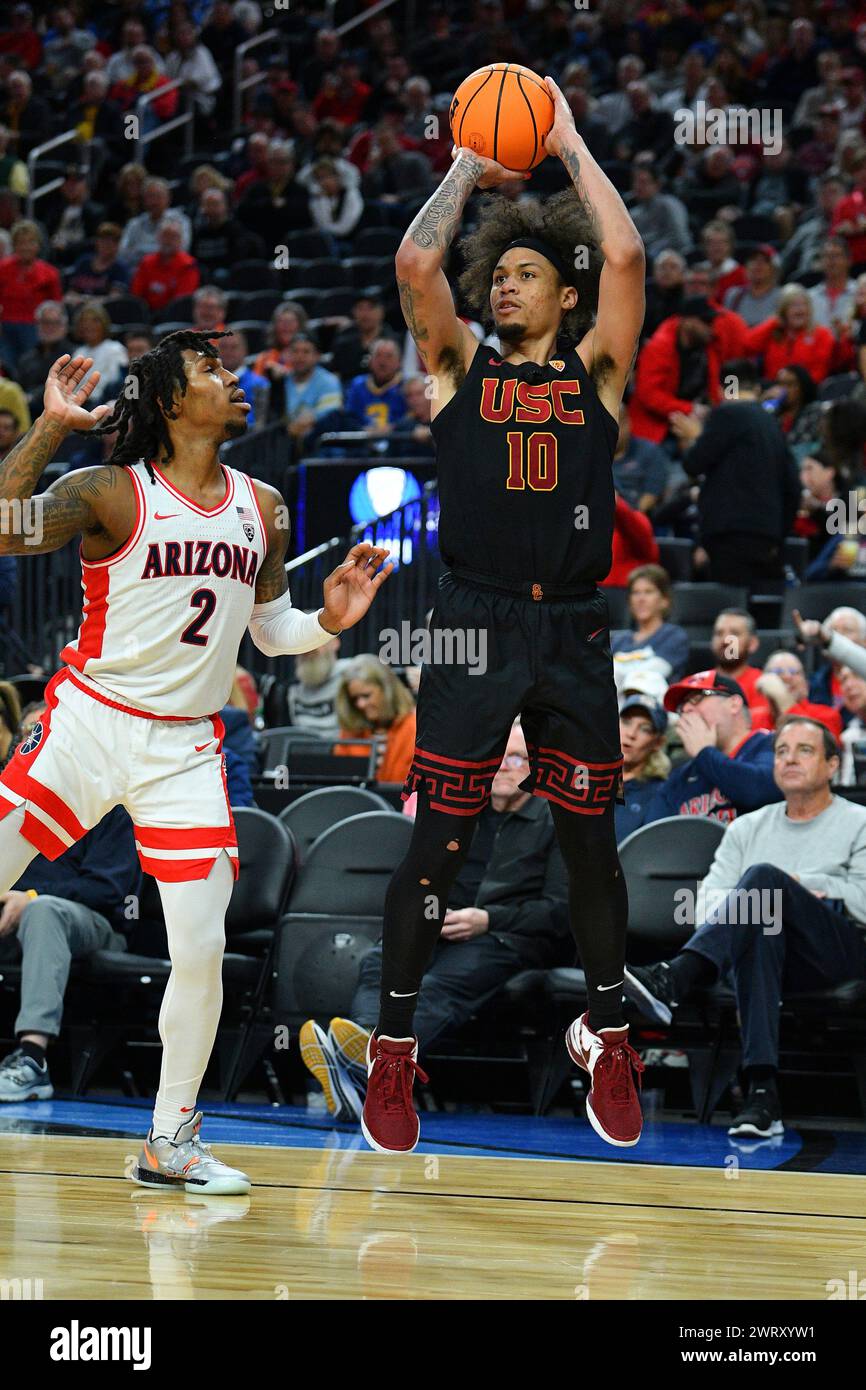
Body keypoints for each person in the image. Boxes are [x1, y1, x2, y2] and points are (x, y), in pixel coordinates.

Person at [0, 339, 392, 1193]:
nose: (236, 379)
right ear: (173, 400)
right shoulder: (109, 490)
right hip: (89, 719)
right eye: (215, 371)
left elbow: (272, 632)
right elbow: (2, 524)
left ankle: (169, 1142)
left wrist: (330, 620)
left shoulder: (265, 504)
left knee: (204, 948)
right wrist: (51, 430)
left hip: (185, 745)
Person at [369, 73, 647, 1155]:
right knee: (436, 841)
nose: (504, 290)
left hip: (571, 623)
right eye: (498, 278)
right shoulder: (453, 370)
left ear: (563, 296)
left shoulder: (598, 376)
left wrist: (567, 139)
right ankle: (393, 1051)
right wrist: (467, 166)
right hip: (473, 619)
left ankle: (609, 1030)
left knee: (591, 848)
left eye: (526, 274)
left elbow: (622, 257)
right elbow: (412, 264)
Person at [299, 721, 572, 1120]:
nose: (504, 767)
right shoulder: (462, 812)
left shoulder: (560, 820)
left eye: (519, 759)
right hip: (448, 927)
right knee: (383, 959)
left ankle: (364, 1069)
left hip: (513, 938)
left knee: (442, 982)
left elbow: (562, 910)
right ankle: (362, 1065)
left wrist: (488, 919)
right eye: (497, 758)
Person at [624, 716, 866, 1139]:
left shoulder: (859, 820)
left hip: (836, 951)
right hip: (768, 952)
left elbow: (862, 901)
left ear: (831, 765)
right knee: (761, 926)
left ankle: (676, 978)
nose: (789, 759)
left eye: (804, 750)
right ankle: (761, 1094)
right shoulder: (746, 827)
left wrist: (797, 889)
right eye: (781, 751)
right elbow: (706, 907)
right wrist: (774, 901)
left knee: (765, 881)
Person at [0, 801, 140, 1102]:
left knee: (43, 910)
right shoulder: (19, 807)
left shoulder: (111, 810)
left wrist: (31, 896)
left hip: (94, 924)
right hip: (14, 918)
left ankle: (32, 1058)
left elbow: (107, 890)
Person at [670, 357, 800, 585]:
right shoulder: (771, 424)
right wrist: (777, 534)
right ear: (758, 388)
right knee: (759, 610)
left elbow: (693, 464)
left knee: (733, 608)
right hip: (766, 535)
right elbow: (793, 487)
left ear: (721, 390)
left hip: (731, 534)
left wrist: (695, 436)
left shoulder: (726, 414)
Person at [646, 671, 783, 824]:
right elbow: (655, 837)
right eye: (681, 707)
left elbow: (759, 791)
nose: (685, 710)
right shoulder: (681, 776)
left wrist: (704, 752)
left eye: (697, 699)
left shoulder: (772, 744)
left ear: (734, 704)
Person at [334, 654, 416, 784]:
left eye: (366, 696)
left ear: (387, 690)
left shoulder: (414, 728)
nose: (360, 704)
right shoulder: (350, 731)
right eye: (355, 698)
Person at [611, 564, 689, 693]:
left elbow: (654, 674)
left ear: (664, 600)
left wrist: (617, 674)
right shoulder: (618, 641)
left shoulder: (673, 636)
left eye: (648, 592)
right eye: (636, 593)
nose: (641, 599)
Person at [0, 220, 63, 371]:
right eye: (21, 243)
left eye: (30, 242)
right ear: (14, 245)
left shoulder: (50, 273)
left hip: (35, 329)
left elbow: (56, 306)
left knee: (29, 368)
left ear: (38, 245)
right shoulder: (2, 268)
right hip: (5, 328)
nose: (25, 247)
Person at [743, 285, 835, 385]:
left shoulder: (822, 334)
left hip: (807, 391)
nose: (800, 310)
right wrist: (774, 321)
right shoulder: (774, 331)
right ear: (783, 311)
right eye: (793, 305)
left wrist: (792, 389)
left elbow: (819, 373)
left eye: (804, 305)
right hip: (772, 388)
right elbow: (747, 345)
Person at [751, 650, 844, 740]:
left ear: (806, 685)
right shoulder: (753, 720)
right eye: (778, 672)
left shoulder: (828, 715)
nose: (787, 677)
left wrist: (783, 698)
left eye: (794, 672)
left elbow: (812, 743)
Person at [616, 696, 670, 842]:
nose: (631, 734)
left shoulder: (660, 794)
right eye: (626, 722)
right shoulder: (587, 776)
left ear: (658, 743)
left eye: (645, 729)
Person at [131, 218, 200, 314]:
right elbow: (136, 294)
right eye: (165, 236)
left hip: (173, 316)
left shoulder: (188, 265)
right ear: (158, 238)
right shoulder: (146, 262)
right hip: (146, 314)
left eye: (173, 237)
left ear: (181, 241)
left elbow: (181, 302)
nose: (168, 241)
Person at [611, 402, 669, 513]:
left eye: (617, 423)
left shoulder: (650, 451)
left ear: (628, 423)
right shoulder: (590, 454)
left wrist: (628, 517)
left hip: (633, 518)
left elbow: (649, 498)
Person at [344, 339, 407, 435]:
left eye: (389, 356)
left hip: (398, 442)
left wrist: (394, 428)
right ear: (370, 360)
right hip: (361, 442)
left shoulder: (407, 387)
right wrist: (362, 430)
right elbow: (349, 417)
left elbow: (414, 417)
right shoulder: (357, 385)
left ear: (399, 361)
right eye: (378, 356)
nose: (382, 362)